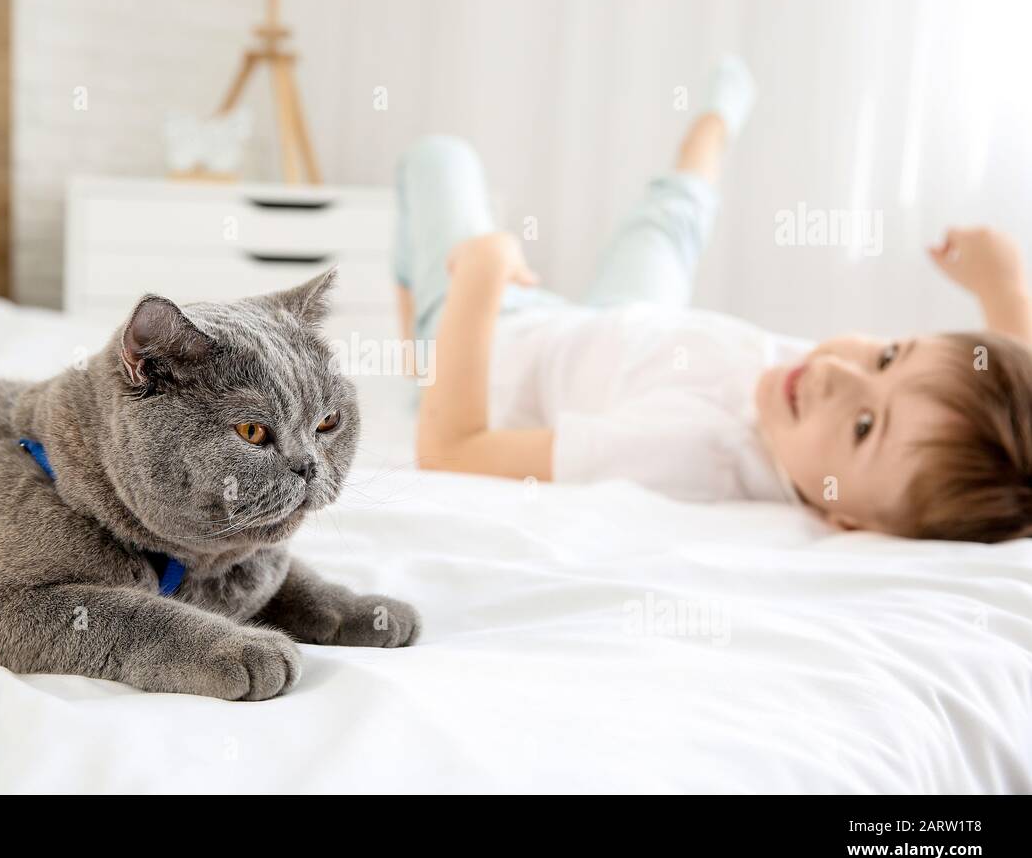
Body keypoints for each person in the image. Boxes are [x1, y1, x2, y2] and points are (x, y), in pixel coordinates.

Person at [394, 58, 1032, 542]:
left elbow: (453, 452)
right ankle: (716, 122)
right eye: (890, 355)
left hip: (497, 345)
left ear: (848, 520)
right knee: (674, 217)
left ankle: (416, 360)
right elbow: (1009, 423)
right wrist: (1003, 286)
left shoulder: (691, 450)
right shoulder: (821, 402)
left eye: (865, 427)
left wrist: (479, 276)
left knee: (438, 159)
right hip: (628, 334)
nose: (837, 372)